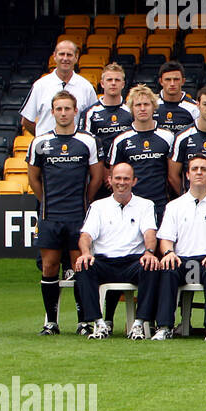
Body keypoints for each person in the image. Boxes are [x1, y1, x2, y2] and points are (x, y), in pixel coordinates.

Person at [27, 90, 103, 334]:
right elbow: (34, 179)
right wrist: (47, 202)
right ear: (52, 112)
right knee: (49, 267)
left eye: (67, 108)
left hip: (77, 217)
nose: (63, 113)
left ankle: (83, 322)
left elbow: (96, 177)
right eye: (58, 109)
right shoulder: (40, 142)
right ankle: (51, 322)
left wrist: (84, 201)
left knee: (79, 266)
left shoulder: (88, 141)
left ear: (75, 111)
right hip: (50, 217)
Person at [73, 161, 161, 339]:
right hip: (105, 262)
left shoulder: (146, 205)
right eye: (118, 178)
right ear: (109, 180)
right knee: (83, 266)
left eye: (126, 179)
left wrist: (149, 252)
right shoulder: (98, 206)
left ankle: (139, 324)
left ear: (134, 181)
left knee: (151, 267)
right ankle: (98, 323)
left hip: (132, 262)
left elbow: (150, 233)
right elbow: (86, 236)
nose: (122, 182)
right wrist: (85, 253)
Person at [154, 154, 206, 341]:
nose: (199, 173)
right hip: (182, 259)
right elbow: (165, 238)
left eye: (203, 169)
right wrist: (168, 253)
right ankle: (164, 326)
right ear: (187, 175)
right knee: (168, 267)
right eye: (194, 169)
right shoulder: (174, 206)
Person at [109, 84, 177, 224]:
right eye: (137, 105)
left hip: (160, 203)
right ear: (131, 109)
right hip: (131, 204)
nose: (142, 108)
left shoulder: (168, 137)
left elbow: (173, 173)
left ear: (153, 106)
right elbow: (114, 175)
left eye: (146, 104)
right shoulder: (121, 140)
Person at [21, 39, 97, 136]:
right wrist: (43, 138)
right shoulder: (40, 85)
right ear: (54, 56)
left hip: (76, 148)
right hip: (46, 148)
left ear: (76, 57)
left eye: (69, 55)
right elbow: (26, 120)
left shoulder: (86, 87)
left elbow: (94, 120)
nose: (65, 58)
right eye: (61, 54)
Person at [81, 63, 131, 173]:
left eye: (117, 80)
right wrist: (102, 171)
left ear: (123, 84)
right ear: (102, 84)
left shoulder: (131, 111)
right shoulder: (89, 113)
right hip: (99, 172)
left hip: (126, 172)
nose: (113, 83)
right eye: (109, 80)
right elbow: (85, 145)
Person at [155, 61, 198, 132]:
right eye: (168, 79)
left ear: (183, 81)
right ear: (161, 81)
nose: (172, 84)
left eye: (176, 79)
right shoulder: (150, 105)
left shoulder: (194, 108)